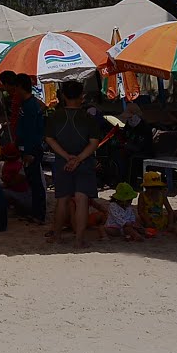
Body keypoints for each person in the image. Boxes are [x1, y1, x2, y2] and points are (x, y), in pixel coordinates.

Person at [44, 80, 98, 248]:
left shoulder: (54, 116)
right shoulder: (88, 117)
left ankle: (57, 236)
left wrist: (67, 157)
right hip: (84, 162)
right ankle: (79, 239)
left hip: (62, 162)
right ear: (82, 96)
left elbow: (49, 139)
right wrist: (78, 159)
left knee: (62, 199)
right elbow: (94, 142)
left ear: (62, 96)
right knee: (82, 199)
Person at [7, 75, 46, 225]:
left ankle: (39, 215)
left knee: (36, 183)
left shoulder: (30, 105)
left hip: (31, 149)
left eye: (16, 87)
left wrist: (29, 151)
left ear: (21, 87)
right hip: (26, 147)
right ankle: (35, 212)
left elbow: (33, 131)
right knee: (32, 180)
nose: (15, 90)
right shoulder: (27, 103)